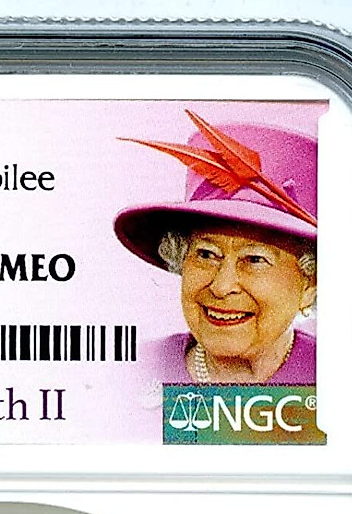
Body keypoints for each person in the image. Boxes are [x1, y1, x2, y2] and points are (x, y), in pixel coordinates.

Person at [115, 111, 319, 386]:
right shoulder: (132, 371)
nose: (222, 287)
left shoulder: (340, 379)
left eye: (254, 259)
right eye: (206, 254)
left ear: (310, 286)